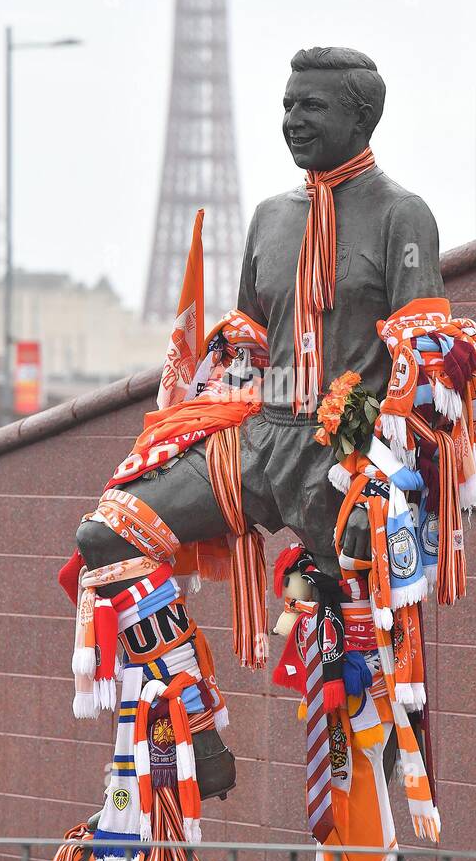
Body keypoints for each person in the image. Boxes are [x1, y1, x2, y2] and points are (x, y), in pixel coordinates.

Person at [77, 46, 444, 580]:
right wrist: (195, 419)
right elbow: (248, 349)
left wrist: (386, 484)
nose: (293, 121)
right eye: (287, 105)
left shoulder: (401, 213)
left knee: (357, 623)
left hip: (350, 457)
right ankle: (178, 666)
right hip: (262, 436)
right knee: (107, 534)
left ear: (363, 117)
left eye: (311, 107)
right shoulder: (269, 217)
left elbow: (428, 362)